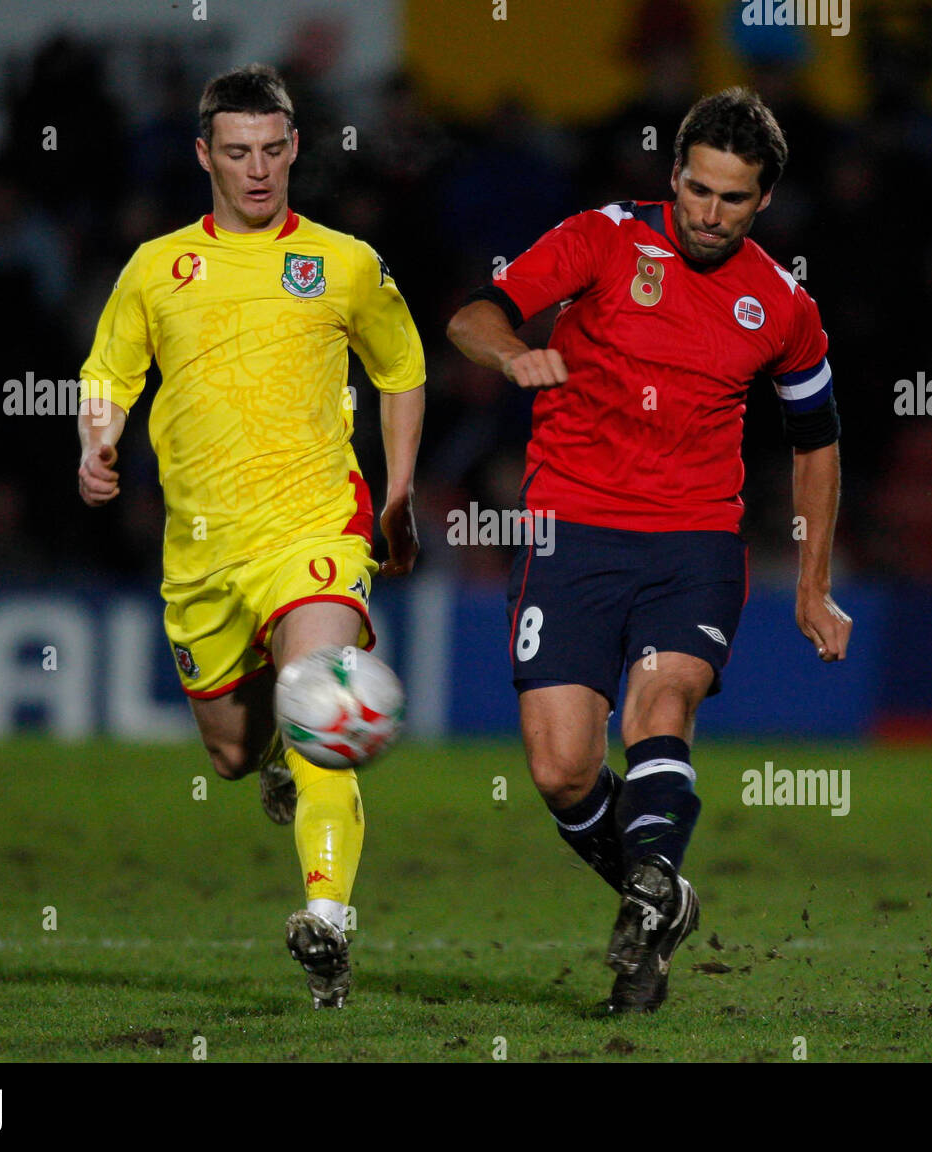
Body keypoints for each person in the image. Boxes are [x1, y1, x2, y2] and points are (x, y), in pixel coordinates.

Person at [446, 88, 851, 1013]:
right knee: (560, 769)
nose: (710, 213)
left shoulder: (783, 307)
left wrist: (814, 585)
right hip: (572, 527)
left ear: (764, 203)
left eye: (733, 199)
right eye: (699, 189)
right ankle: (657, 894)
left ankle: (654, 879)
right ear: (674, 176)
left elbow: (817, 442)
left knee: (661, 702)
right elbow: (474, 313)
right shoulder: (602, 238)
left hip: (694, 539)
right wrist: (513, 354)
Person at [77, 64, 425, 1008]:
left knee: (319, 699)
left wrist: (396, 490)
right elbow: (108, 372)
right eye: (238, 152)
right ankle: (270, 756)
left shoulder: (344, 261)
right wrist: (96, 443)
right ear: (205, 156)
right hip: (202, 555)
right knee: (231, 753)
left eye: (274, 150)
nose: (259, 170)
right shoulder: (156, 266)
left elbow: (401, 367)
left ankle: (328, 922)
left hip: (317, 526)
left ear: (296, 148)